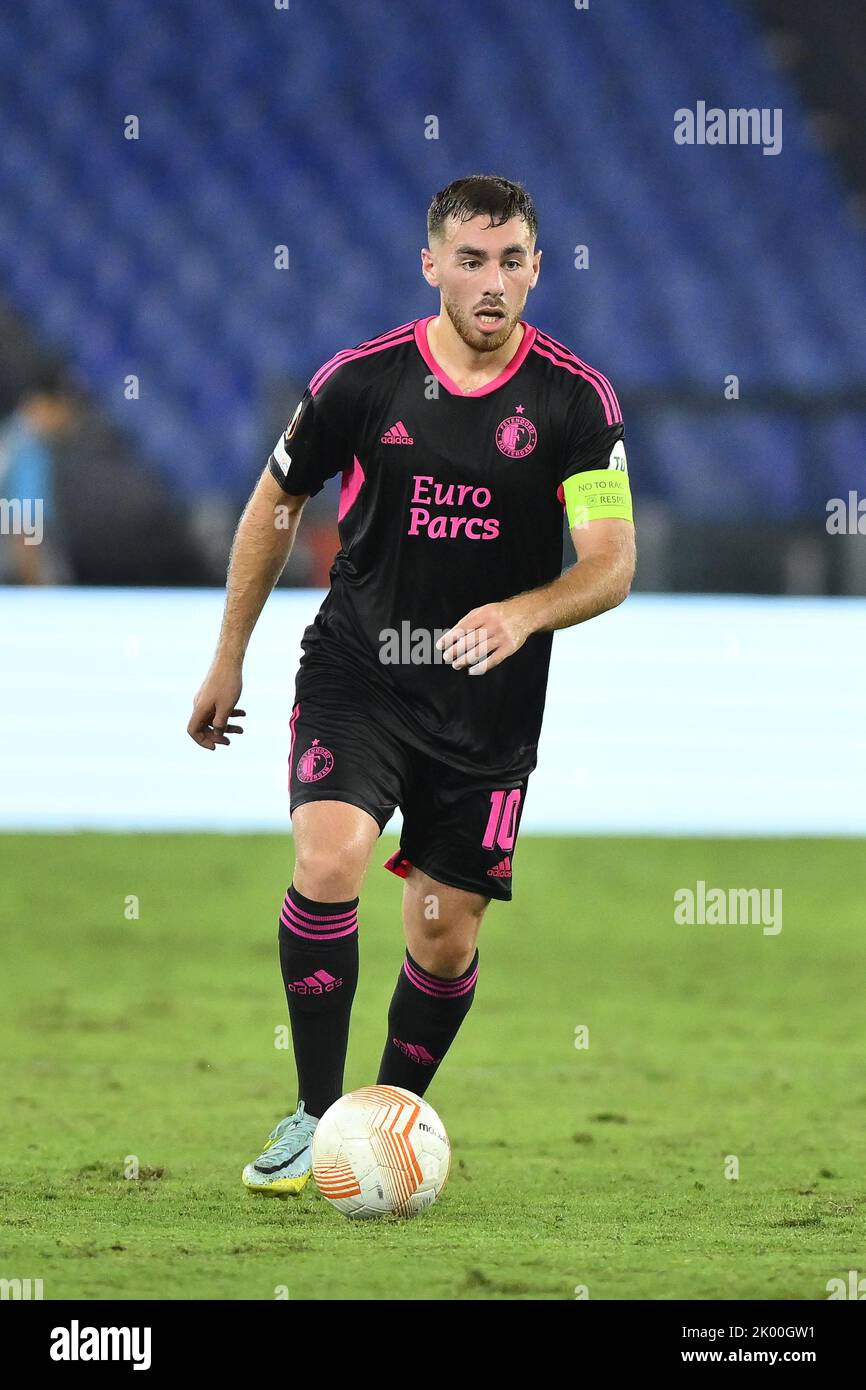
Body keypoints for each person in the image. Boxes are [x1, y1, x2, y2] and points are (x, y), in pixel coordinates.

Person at [188, 174, 636, 1196]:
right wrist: (228, 654)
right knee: (331, 853)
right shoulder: (363, 380)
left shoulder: (574, 400)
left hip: (486, 701)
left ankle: (378, 1121)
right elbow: (276, 502)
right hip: (361, 670)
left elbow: (611, 560)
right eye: (469, 260)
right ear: (428, 264)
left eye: (510, 260)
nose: (491, 281)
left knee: (442, 938)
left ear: (534, 267)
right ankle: (310, 1112)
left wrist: (522, 611)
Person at [0, 364, 77, 584]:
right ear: (43, 405)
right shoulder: (28, 452)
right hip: (16, 574)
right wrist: (38, 591)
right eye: (65, 408)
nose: (68, 418)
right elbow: (25, 529)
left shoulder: (9, 438)